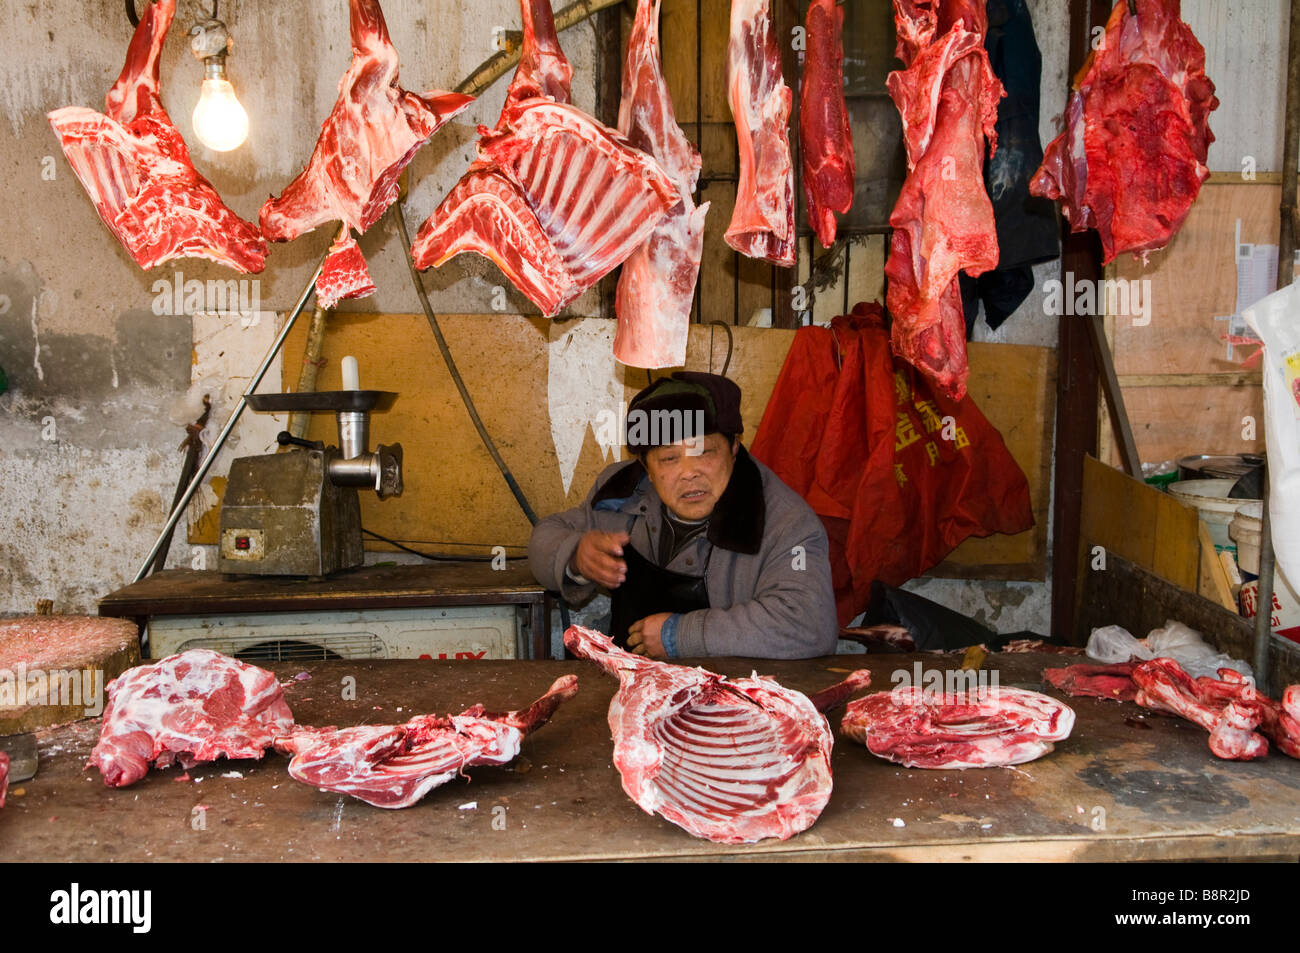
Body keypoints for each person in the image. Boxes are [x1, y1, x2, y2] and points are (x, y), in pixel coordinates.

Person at [529, 371, 838, 659]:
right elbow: (545, 536)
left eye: (703, 451)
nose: (689, 474)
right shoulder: (621, 495)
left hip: (734, 701)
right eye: (669, 458)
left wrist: (680, 635)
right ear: (646, 467)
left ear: (734, 446)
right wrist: (576, 558)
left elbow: (810, 625)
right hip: (630, 691)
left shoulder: (785, 522)